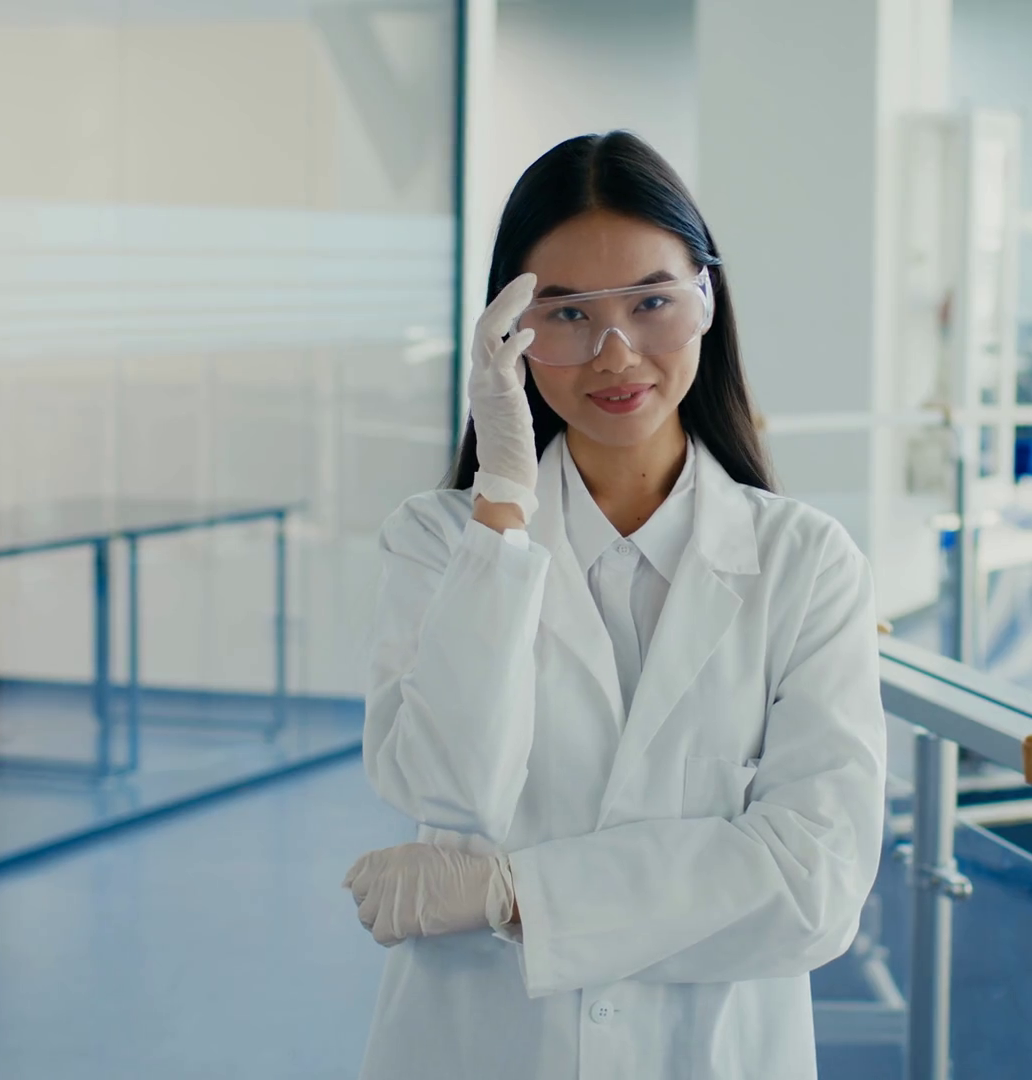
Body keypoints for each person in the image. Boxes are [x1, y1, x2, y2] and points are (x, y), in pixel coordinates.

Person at [343, 131, 887, 1080]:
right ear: (506, 334)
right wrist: (503, 509)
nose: (614, 351)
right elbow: (453, 789)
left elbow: (814, 887)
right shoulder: (437, 544)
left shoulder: (805, 563)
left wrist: (514, 895)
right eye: (566, 314)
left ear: (707, 300)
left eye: (651, 302)